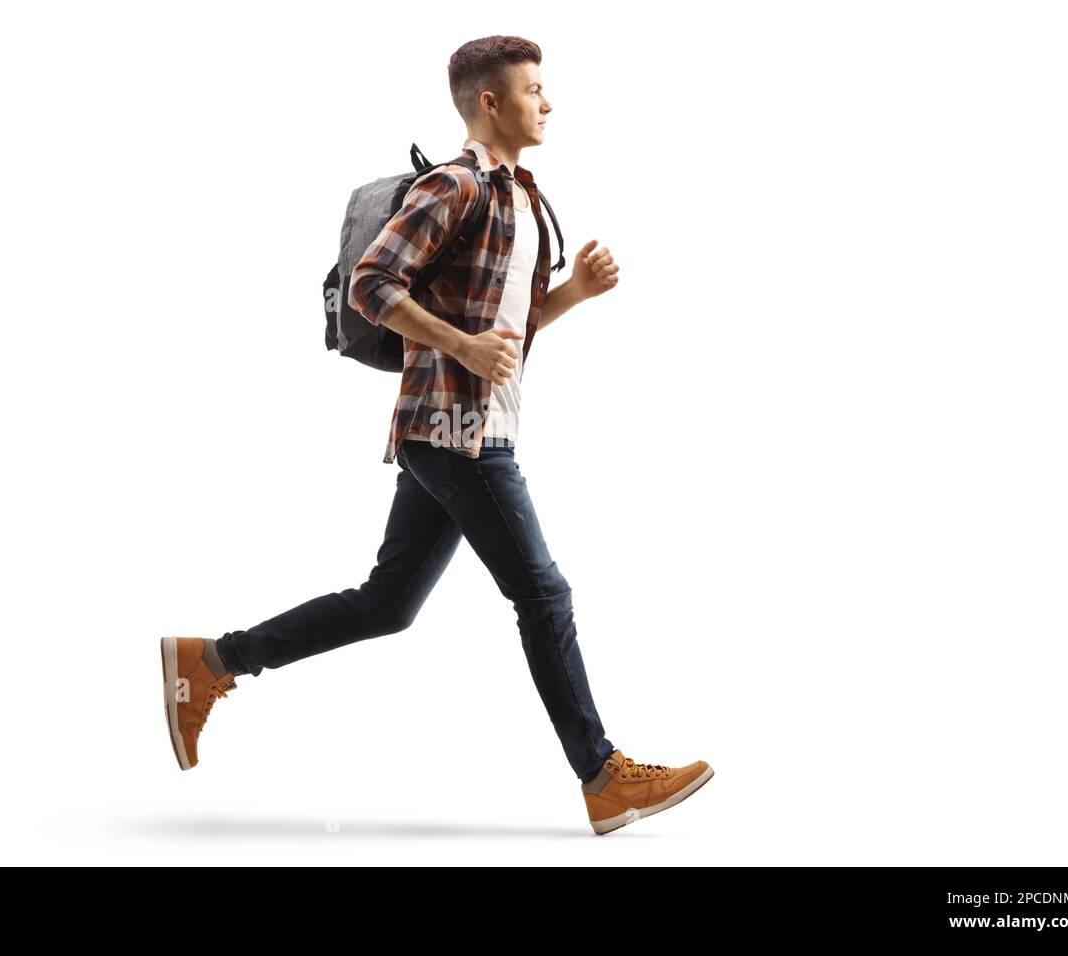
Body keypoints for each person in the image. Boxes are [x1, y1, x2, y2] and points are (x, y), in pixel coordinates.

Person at [159, 35, 714, 836]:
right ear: (491, 103)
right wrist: (458, 346)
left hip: (464, 427)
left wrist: (574, 296)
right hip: (456, 430)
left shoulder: (522, 198)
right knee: (544, 592)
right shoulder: (453, 186)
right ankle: (602, 775)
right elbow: (371, 282)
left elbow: (507, 330)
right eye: (533, 90)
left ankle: (209, 662)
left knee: (389, 603)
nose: (547, 103)